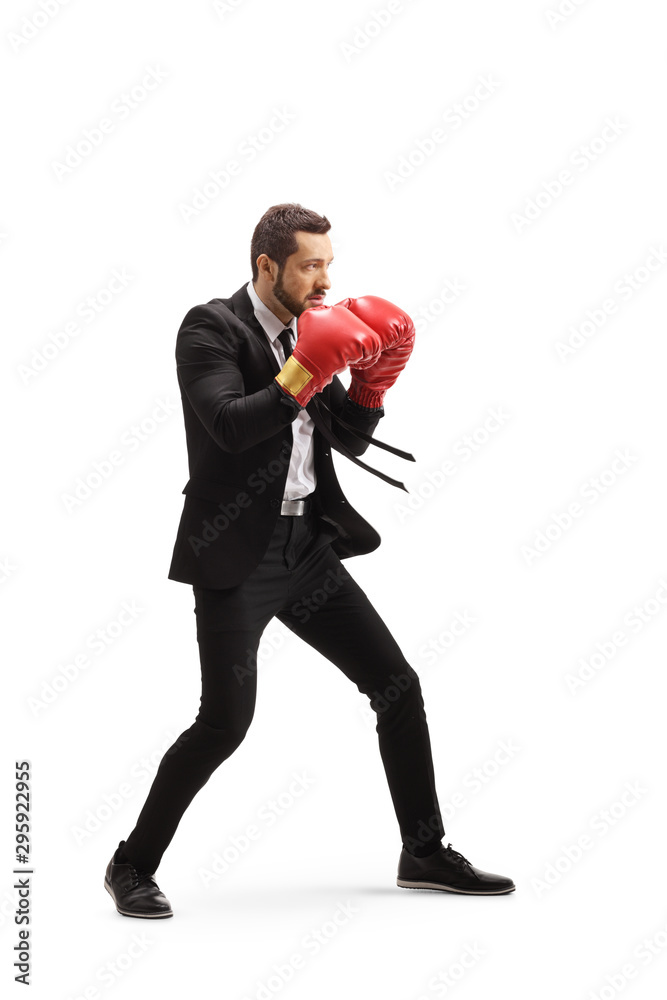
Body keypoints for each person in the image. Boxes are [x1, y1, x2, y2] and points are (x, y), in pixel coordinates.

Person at [104, 203, 515, 918]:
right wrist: (303, 368)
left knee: (396, 685)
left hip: (307, 549)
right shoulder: (210, 328)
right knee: (224, 724)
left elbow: (344, 442)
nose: (325, 280)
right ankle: (130, 864)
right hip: (237, 557)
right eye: (309, 265)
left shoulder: (309, 330)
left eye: (329, 263)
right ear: (267, 266)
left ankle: (422, 850)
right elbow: (230, 427)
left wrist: (373, 385)